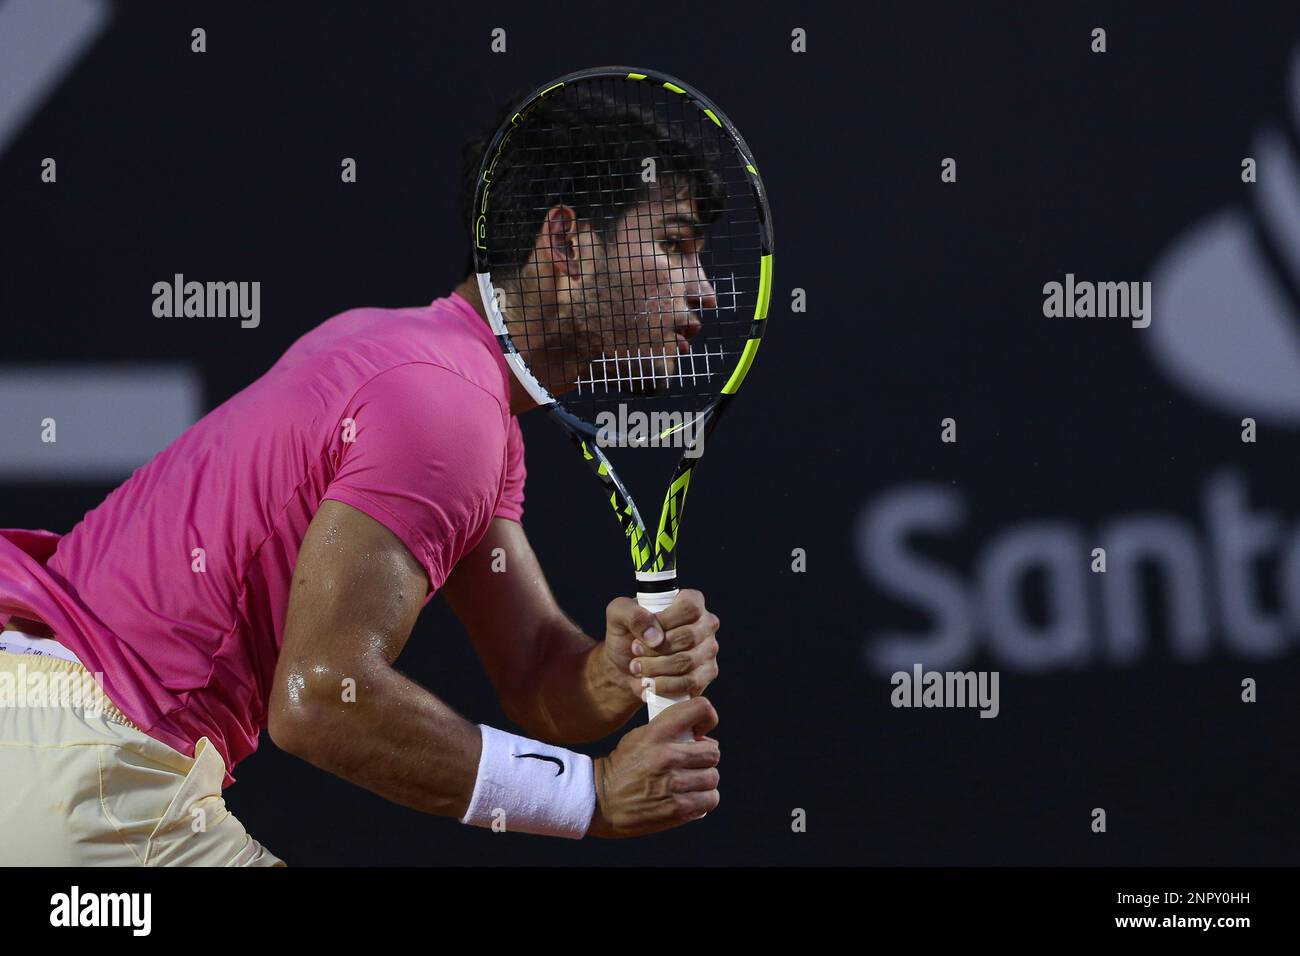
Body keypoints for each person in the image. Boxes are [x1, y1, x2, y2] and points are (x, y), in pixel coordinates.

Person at [0, 89, 722, 865]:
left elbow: (536, 675)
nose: (705, 291)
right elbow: (320, 702)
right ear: (566, 241)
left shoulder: (420, 363)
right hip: (87, 774)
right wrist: (592, 795)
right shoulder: (445, 407)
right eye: (676, 244)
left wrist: (618, 671)